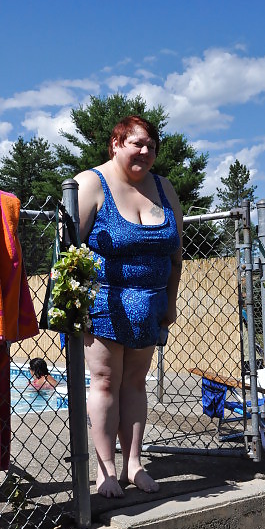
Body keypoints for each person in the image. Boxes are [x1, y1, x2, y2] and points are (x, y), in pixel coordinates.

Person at [75, 115, 183, 498]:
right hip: (104, 304)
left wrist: (170, 301)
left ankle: (133, 464)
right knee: (105, 382)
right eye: (137, 143)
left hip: (151, 304)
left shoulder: (164, 187)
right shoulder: (90, 183)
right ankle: (103, 471)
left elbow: (176, 255)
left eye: (151, 145)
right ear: (116, 144)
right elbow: (70, 252)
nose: (145, 151)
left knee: (136, 383)